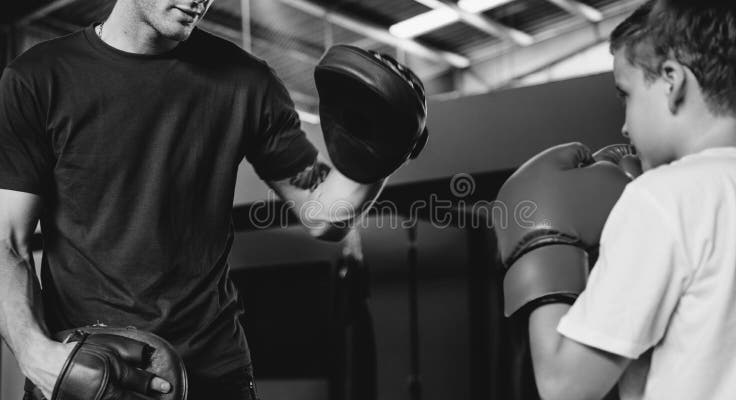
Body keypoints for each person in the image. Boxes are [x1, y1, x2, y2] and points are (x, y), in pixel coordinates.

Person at [0, 0, 425, 398]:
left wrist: (375, 156)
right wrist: (35, 355)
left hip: (213, 371)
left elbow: (323, 215)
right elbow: (7, 240)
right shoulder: (39, 78)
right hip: (85, 372)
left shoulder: (247, 82)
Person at [495, 0, 736, 399]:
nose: (624, 123)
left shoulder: (662, 198)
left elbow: (563, 385)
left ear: (672, 81)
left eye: (626, 93)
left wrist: (542, 246)